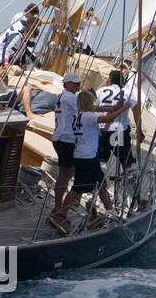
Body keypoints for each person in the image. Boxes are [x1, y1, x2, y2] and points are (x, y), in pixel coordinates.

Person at [48, 89, 128, 235]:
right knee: (78, 188)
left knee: (101, 184)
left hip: (85, 155)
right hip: (86, 158)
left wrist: (113, 108)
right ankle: (61, 215)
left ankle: (110, 213)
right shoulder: (89, 116)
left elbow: (100, 113)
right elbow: (106, 119)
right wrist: (124, 109)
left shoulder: (77, 116)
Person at [48, 72, 83, 219]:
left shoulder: (62, 96)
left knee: (67, 173)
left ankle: (60, 206)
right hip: (66, 139)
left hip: (60, 137)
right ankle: (59, 208)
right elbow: (85, 111)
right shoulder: (70, 97)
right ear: (66, 84)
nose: (78, 85)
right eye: (74, 83)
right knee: (66, 173)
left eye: (78, 83)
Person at [96, 68, 141, 170]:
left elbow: (93, 109)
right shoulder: (127, 92)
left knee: (101, 159)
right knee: (126, 160)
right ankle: (125, 179)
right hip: (118, 132)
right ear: (123, 81)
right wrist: (139, 131)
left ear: (110, 80)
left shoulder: (100, 91)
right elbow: (136, 112)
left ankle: (99, 179)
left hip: (103, 131)